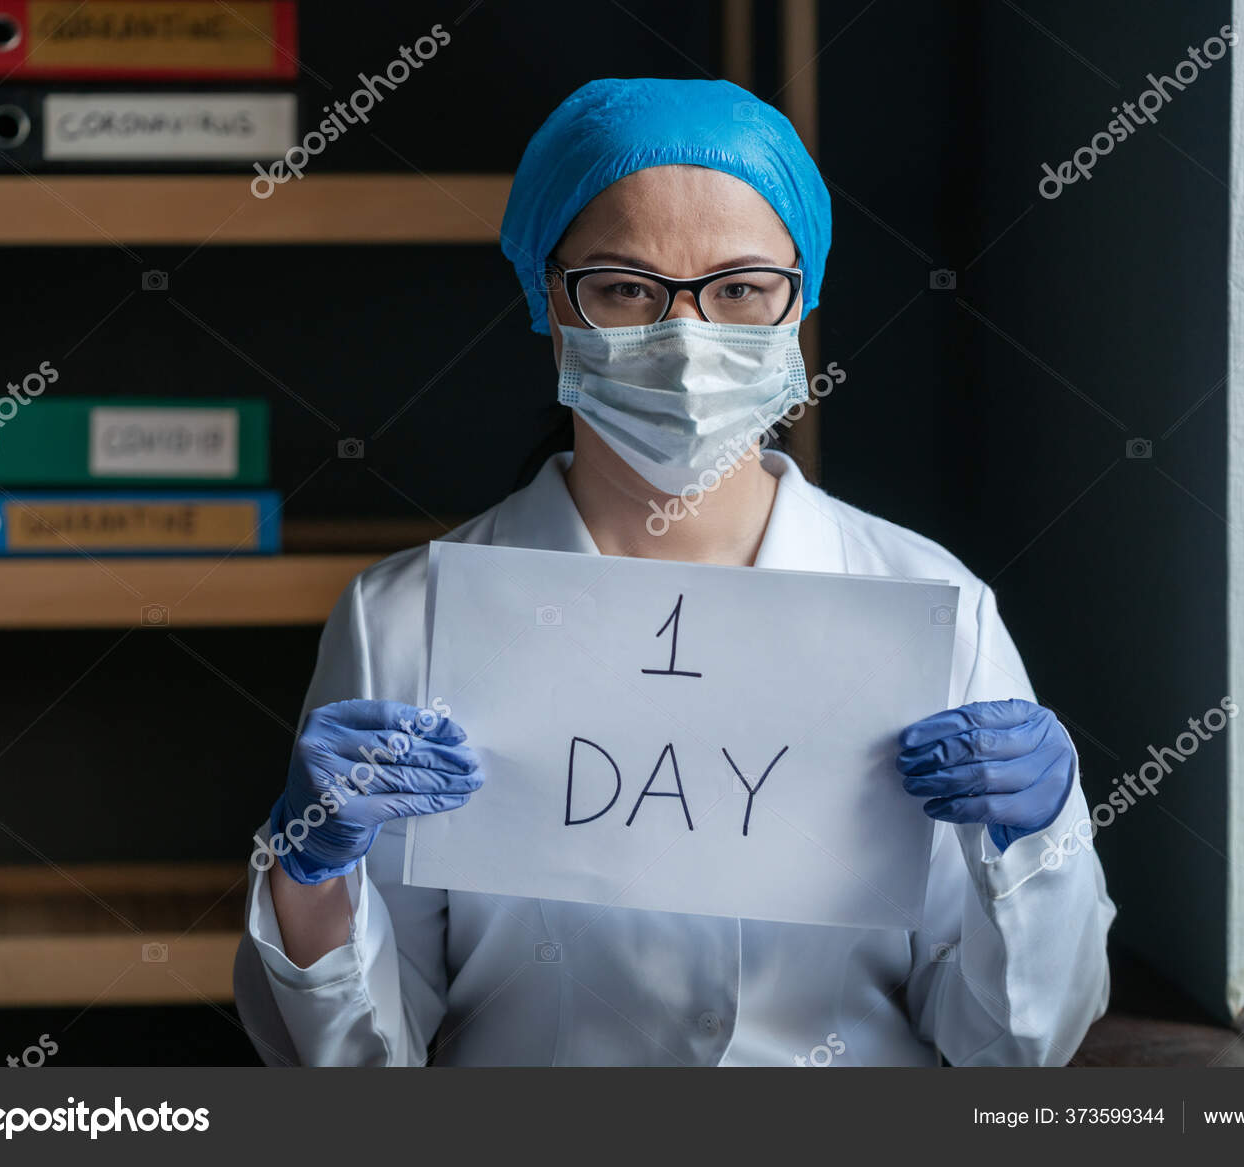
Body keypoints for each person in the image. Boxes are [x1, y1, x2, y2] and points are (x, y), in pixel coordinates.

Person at [234, 77, 1114, 1067]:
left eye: (738, 288)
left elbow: (1010, 1049)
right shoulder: (405, 618)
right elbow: (359, 1068)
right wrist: (309, 872)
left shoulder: (930, 605)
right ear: (547, 296)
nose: (686, 339)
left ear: (801, 296)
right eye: (623, 288)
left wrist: (1039, 844)